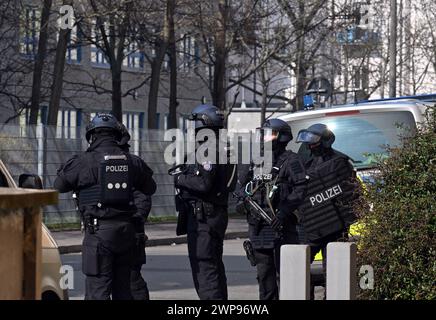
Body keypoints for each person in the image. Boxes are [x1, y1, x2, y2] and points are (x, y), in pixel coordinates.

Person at [54, 113, 156, 300]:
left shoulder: (82, 161)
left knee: (98, 291)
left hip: (98, 233)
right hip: (127, 233)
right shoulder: (132, 161)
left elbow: (59, 186)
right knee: (125, 291)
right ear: (116, 135)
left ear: (91, 136)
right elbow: (150, 187)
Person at [237, 118, 307, 300]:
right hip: (259, 227)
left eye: (269, 134)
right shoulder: (254, 160)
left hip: (282, 226)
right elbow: (241, 188)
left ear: (281, 137)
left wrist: (283, 212)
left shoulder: (291, 160)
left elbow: (301, 189)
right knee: (264, 276)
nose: (264, 138)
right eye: (263, 134)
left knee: (288, 275)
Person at [172, 104, 237, 300]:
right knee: (214, 265)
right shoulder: (224, 146)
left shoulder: (209, 149)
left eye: (195, 124)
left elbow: (203, 184)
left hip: (204, 219)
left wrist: (179, 178)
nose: (192, 129)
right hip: (214, 214)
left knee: (204, 267)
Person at [295, 123, 358, 297]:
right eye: (308, 142)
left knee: (335, 272)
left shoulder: (340, 162)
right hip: (310, 226)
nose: (310, 145)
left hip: (336, 226)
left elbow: (351, 193)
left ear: (325, 141)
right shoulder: (300, 163)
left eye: (314, 142)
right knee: (298, 267)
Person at [118, 123, 152, 300]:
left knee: (131, 281)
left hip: (128, 232)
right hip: (122, 231)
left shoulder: (132, 163)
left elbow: (143, 197)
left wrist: (133, 220)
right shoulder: (134, 163)